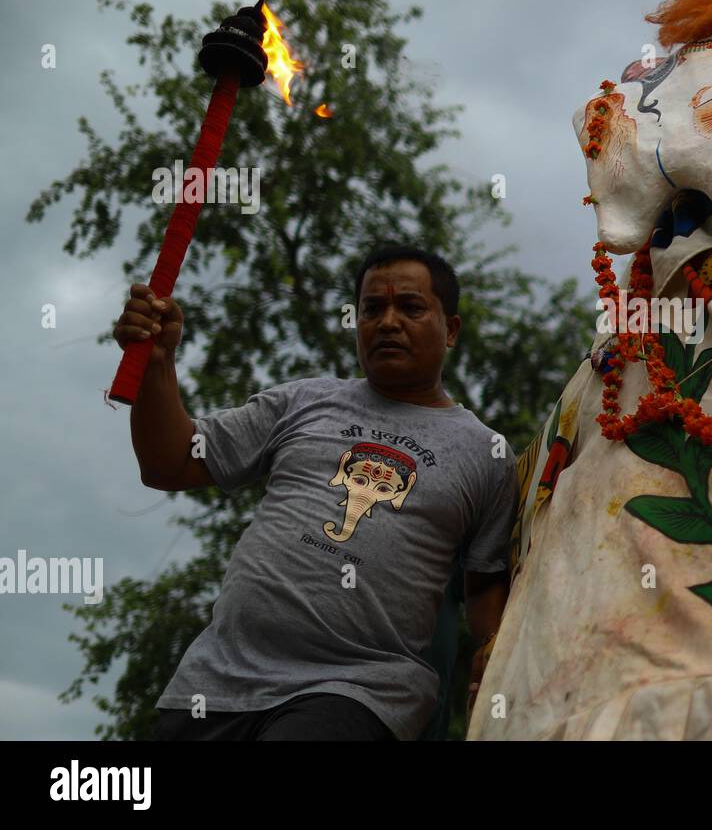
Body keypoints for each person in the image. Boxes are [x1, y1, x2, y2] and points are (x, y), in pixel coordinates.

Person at [116, 242, 515, 741]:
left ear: (451, 330)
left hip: (357, 690)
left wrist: (495, 657)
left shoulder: (488, 454)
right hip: (215, 680)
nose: (388, 322)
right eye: (372, 309)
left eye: (411, 307)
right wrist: (157, 361)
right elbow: (169, 462)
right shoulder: (302, 401)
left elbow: (484, 583)